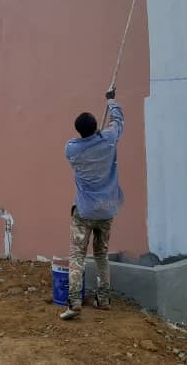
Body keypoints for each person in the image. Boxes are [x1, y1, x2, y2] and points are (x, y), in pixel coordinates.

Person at [60, 88, 124, 320]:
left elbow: (81, 140)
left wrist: (94, 134)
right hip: (107, 209)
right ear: (96, 126)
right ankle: (104, 299)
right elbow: (118, 122)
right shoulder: (108, 140)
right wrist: (112, 101)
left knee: (77, 255)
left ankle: (75, 301)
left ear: (78, 131)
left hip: (85, 211)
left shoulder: (72, 149)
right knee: (101, 255)